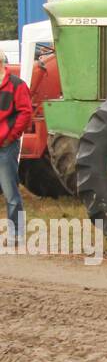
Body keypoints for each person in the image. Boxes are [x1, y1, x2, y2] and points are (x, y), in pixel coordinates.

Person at [0, 49, 33, 244]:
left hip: (6, 146)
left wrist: (10, 137)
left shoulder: (16, 85)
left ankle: (16, 235)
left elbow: (25, 112)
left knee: (10, 191)